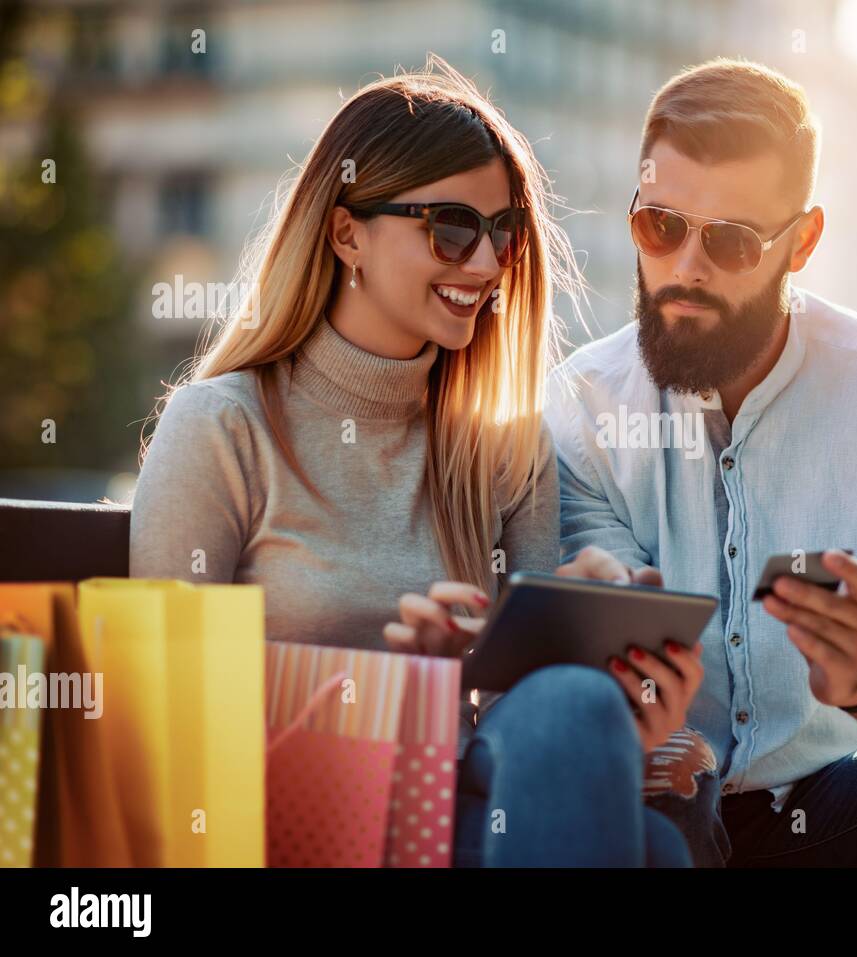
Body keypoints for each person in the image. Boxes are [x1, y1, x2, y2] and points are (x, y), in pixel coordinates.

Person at [129, 59, 701, 867]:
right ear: (345, 231)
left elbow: (521, 719)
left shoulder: (506, 448)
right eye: (452, 227)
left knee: (607, 760)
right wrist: (392, 689)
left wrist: (611, 687)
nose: (487, 264)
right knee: (653, 850)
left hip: (447, 810)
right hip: (279, 822)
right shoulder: (223, 426)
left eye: (503, 233)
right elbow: (161, 716)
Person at [545, 58, 857, 866]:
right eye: (661, 227)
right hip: (658, 804)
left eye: (733, 241)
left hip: (833, 808)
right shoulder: (580, 405)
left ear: (804, 241)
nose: (686, 269)